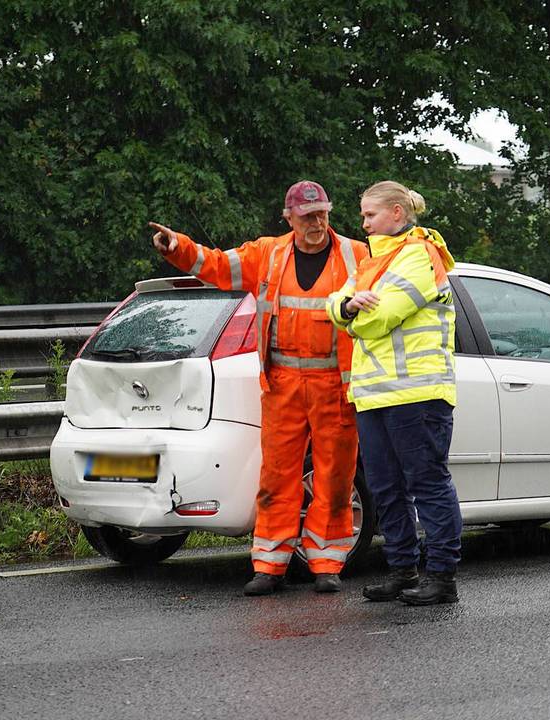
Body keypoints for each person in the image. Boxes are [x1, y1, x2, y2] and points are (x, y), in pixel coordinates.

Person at [149, 180, 370, 595]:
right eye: (307, 216)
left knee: (335, 478)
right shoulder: (268, 253)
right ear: (288, 218)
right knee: (277, 477)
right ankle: (269, 566)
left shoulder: (356, 254)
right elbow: (216, 265)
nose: (316, 223)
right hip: (284, 385)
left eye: (322, 213)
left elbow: (396, 278)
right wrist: (176, 246)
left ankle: (326, 563)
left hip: (334, 387)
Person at [325, 180, 462, 606]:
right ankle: (403, 570)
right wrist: (347, 308)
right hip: (375, 395)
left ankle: (441, 577)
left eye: (370, 214)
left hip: (418, 393)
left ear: (397, 214)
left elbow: (380, 317)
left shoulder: (420, 254)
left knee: (427, 483)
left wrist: (351, 315)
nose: (363, 222)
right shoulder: (373, 261)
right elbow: (335, 305)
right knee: (386, 488)